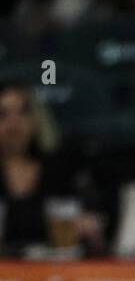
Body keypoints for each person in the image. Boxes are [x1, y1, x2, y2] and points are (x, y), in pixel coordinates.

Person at [0, 82, 105, 257]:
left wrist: (90, 229)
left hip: (56, 271)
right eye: (2, 115)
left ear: (36, 118)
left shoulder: (61, 169)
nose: (14, 124)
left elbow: (92, 231)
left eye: (22, 112)